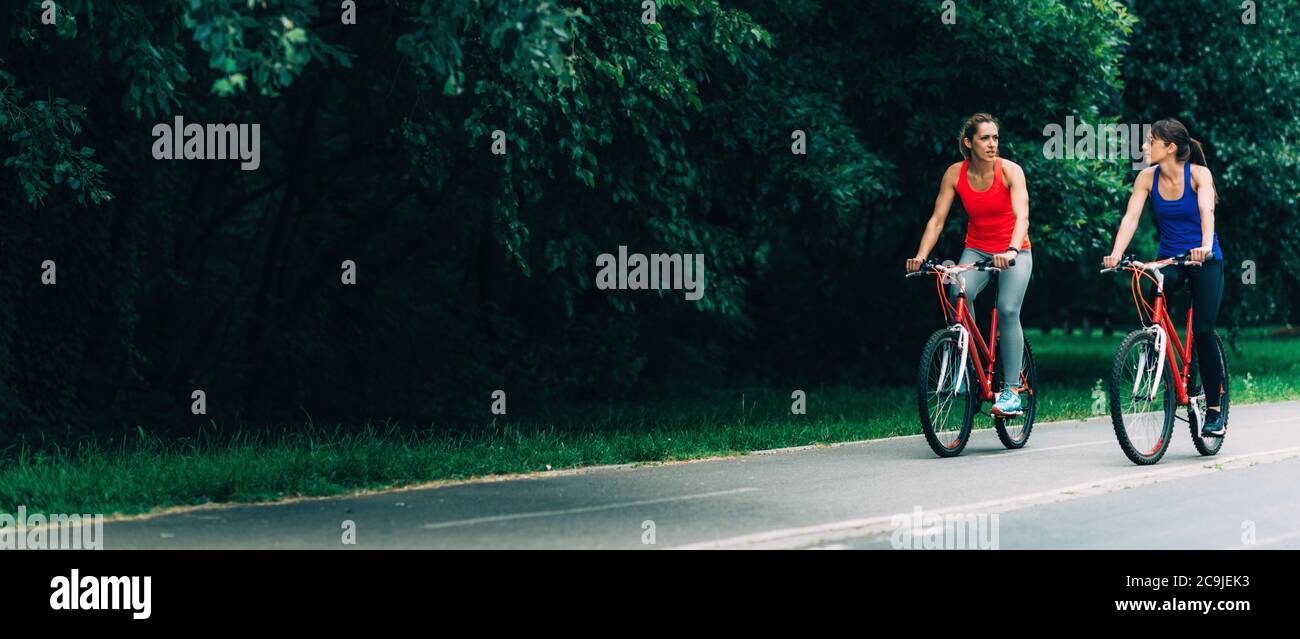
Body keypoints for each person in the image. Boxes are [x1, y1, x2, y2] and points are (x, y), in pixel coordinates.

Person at [1102, 118, 1226, 437]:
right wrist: (1117, 253)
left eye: (1150, 141)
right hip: (1169, 259)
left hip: (1204, 260)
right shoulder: (1146, 178)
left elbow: (1206, 213)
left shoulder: (1199, 175)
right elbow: (1131, 217)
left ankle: (1214, 409)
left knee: (1202, 329)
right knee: (1151, 306)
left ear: (1170, 148)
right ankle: (1154, 348)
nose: (1144, 147)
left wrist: (1205, 247)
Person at [907, 113, 1033, 415]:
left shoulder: (1010, 171)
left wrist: (1013, 249)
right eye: (985, 138)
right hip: (976, 248)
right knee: (956, 295)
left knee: (1006, 309)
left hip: (1015, 250)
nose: (992, 144)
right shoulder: (955, 174)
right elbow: (937, 220)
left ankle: (1012, 391)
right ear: (968, 142)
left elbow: (1022, 216)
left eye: (995, 138)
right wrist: (921, 257)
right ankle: (968, 365)